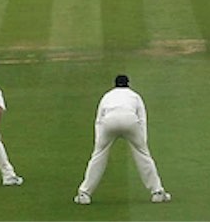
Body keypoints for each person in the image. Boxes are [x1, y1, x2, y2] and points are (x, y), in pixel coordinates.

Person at [73, 75, 171, 206]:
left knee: (98, 156)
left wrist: (99, 144)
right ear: (128, 84)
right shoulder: (135, 96)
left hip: (109, 121)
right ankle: (157, 192)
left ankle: (84, 194)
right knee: (144, 156)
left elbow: (99, 119)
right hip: (130, 120)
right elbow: (142, 119)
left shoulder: (107, 96)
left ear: (114, 84)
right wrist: (142, 143)